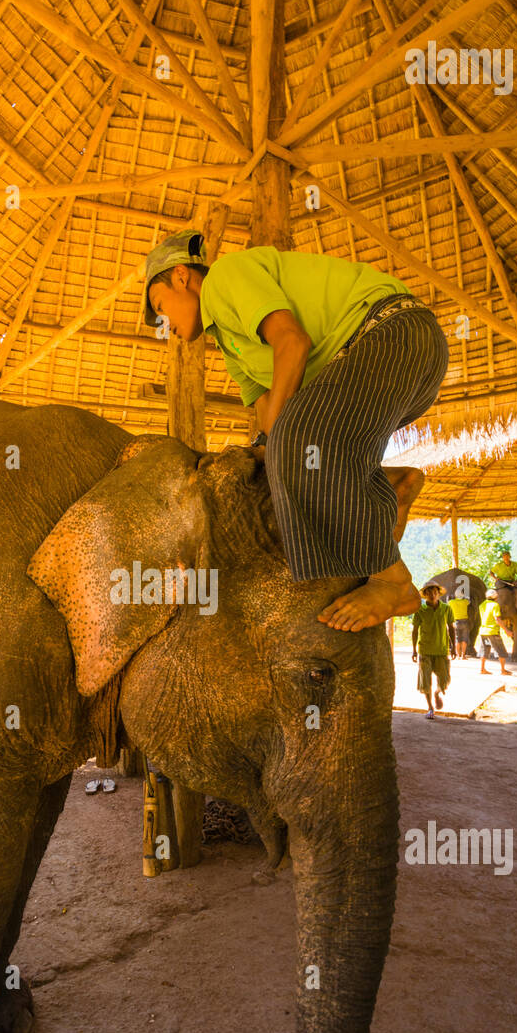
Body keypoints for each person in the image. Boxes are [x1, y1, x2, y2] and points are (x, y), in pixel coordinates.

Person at [143, 231, 449, 632]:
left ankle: (393, 581)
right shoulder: (229, 343)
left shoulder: (223, 280)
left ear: (181, 276)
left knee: (296, 442)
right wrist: (267, 458)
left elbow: (293, 342)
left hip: (392, 333)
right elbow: (268, 408)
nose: (165, 324)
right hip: (394, 363)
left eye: (160, 306)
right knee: (286, 459)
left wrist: (279, 442)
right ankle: (388, 484)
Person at [412, 583, 455, 719]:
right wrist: (414, 650)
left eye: (435, 592)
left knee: (444, 679)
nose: (432, 595)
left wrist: (453, 646)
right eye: (429, 593)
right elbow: (415, 630)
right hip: (425, 650)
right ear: (425, 595)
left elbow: (451, 628)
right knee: (425, 681)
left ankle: (437, 693)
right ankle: (430, 708)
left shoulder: (446, 609)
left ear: (439, 594)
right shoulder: (420, 610)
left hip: (442, 649)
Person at [478, 588, 511, 675]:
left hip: (483, 631)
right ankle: (503, 670)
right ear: (496, 597)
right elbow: (497, 619)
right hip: (493, 631)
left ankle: (482, 669)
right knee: (500, 650)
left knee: (484, 650)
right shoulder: (495, 605)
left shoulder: (481, 605)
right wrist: (507, 630)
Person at [446, 589, 472, 659]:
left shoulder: (451, 602)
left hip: (455, 622)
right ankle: (463, 655)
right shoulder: (465, 602)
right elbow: (469, 600)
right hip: (465, 621)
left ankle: (458, 655)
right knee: (464, 638)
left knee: (457, 639)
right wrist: (465, 597)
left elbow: (447, 601)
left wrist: (451, 597)